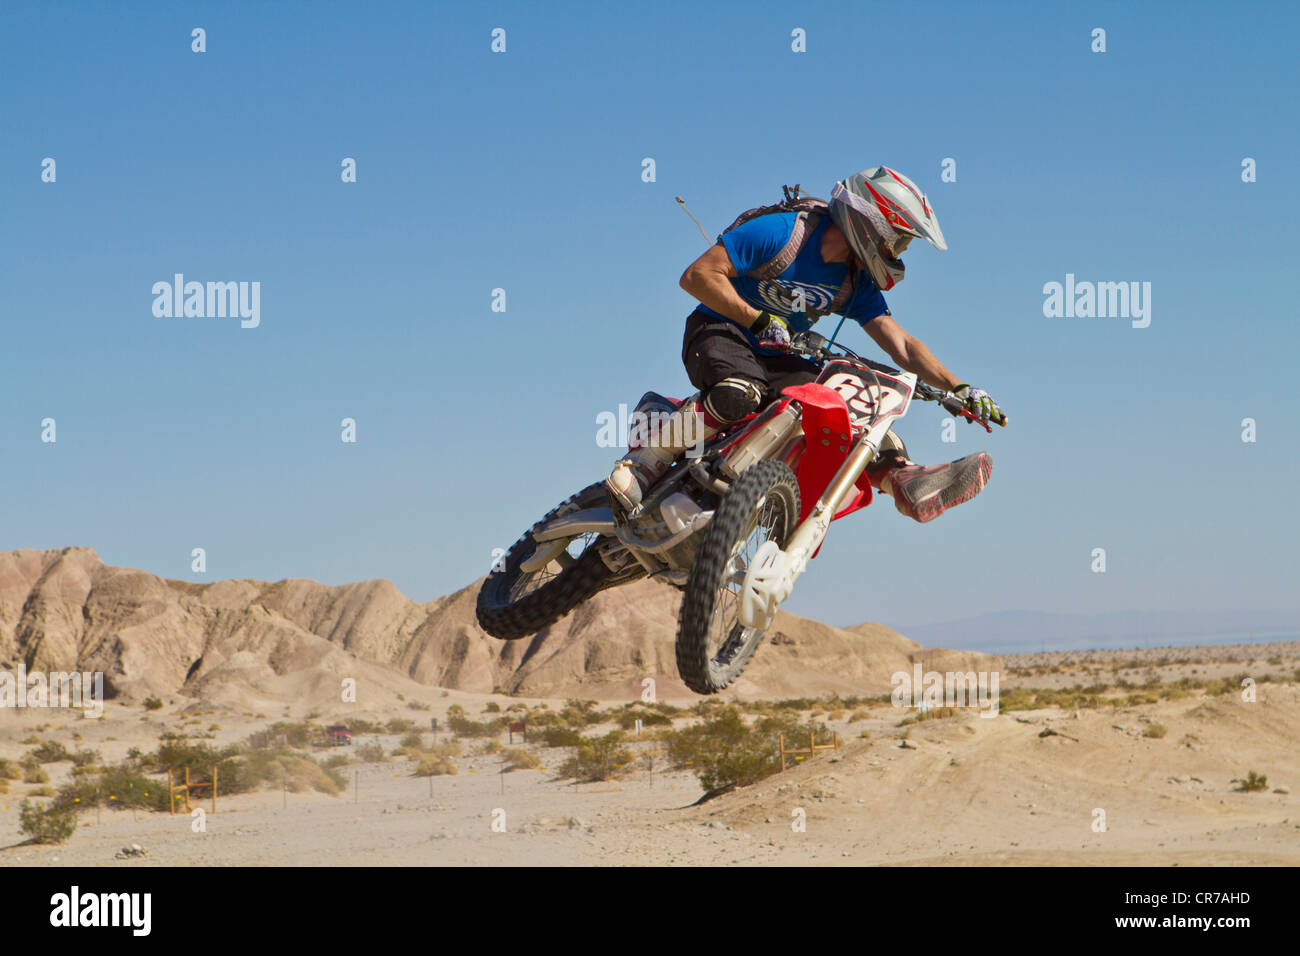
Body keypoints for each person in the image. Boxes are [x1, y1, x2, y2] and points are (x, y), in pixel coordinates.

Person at [606, 166, 1005, 523]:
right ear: (872, 223)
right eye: (898, 242)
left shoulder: (855, 279)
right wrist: (758, 319)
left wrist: (960, 387)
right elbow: (697, 276)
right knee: (738, 393)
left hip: (779, 354)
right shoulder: (782, 233)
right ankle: (646, 462)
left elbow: (900, 343)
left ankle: (903, 479)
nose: (898, 255)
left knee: (850, 407)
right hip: (719, 329)